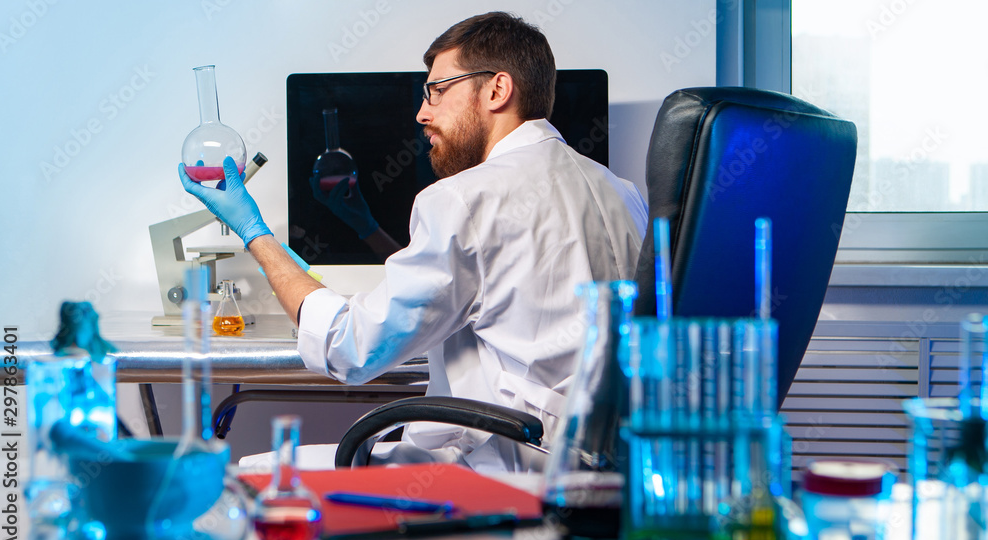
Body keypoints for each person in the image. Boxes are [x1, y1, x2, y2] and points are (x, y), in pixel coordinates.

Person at [179, 12, 648, 472]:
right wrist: (364, 224)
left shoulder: (463, 198)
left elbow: (350, 348)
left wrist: (256, 236)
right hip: (605, 477)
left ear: (497, 89)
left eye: (438, 91)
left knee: (257, 471)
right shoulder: (622, 193)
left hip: (505, 474)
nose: (422, 112)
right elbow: (474, 281)